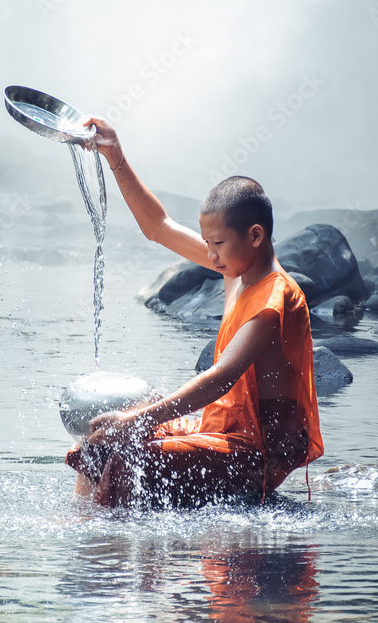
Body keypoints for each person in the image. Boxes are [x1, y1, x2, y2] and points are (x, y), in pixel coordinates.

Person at [65, 116, 323, 507]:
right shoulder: (235, 268)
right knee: (101, 434)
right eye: (207, 243)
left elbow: (220, 378)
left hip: (252, 453)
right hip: (215, 426)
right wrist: (115, 155)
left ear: (255, 236)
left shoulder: (276, 295)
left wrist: (137, 422)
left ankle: (103, 543)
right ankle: (82, 525)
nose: (210, 255)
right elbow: (159, 226)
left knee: (130, 450)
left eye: (217, 243)